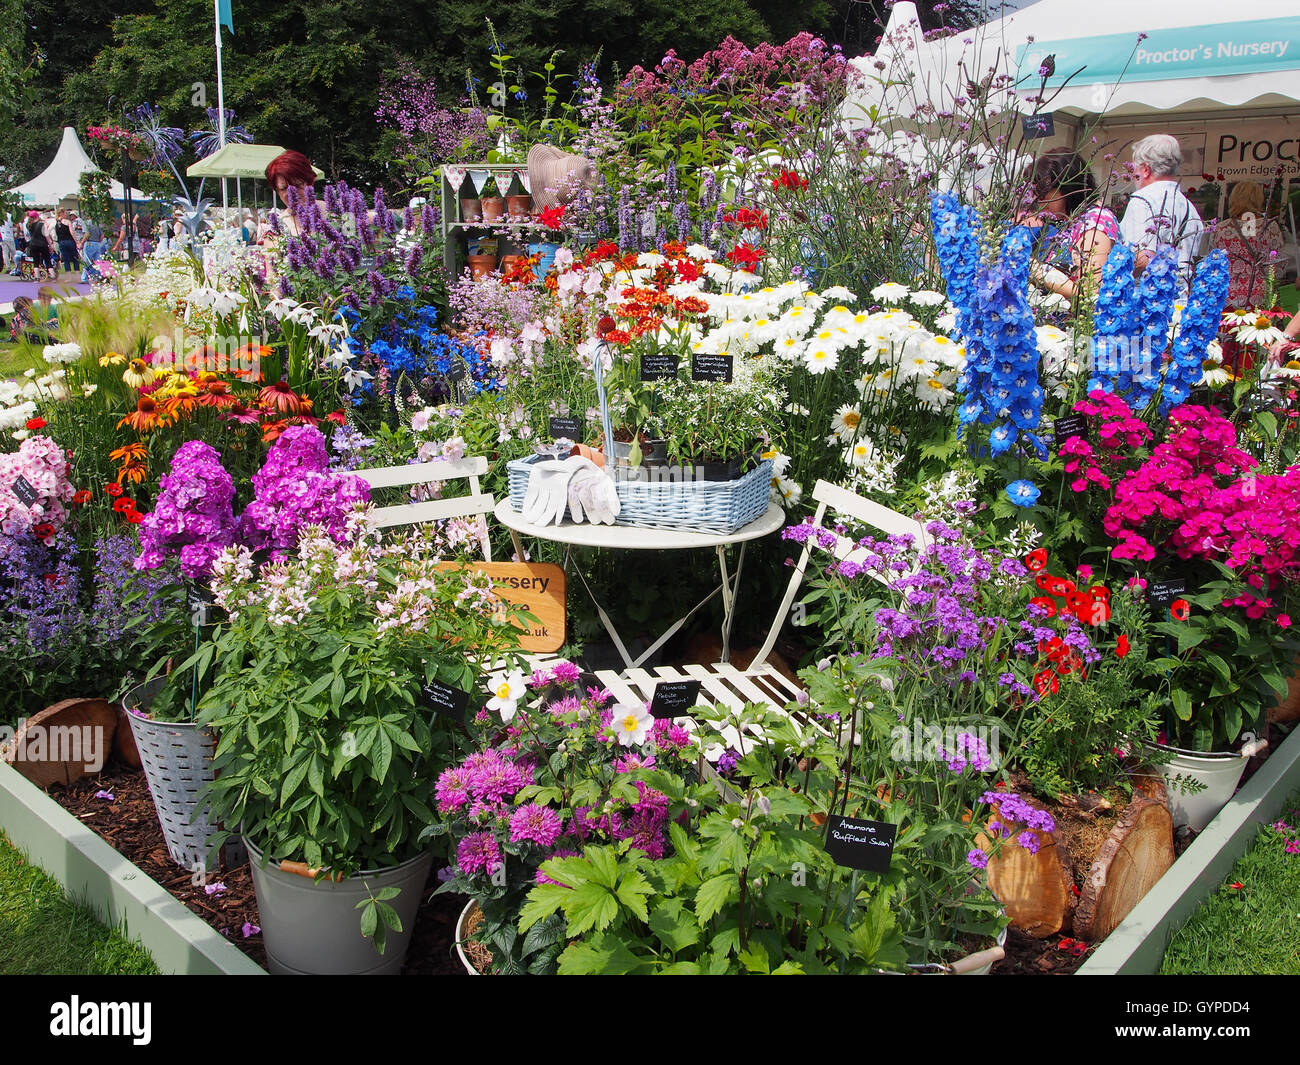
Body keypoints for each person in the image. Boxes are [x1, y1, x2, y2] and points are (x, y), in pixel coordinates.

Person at [1019, 147, 1121, 302]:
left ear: (1069, 187)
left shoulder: (1095, 222)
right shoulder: (1070, 222)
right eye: (1033, 192)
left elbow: (1090, 293)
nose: (1036, 199)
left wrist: (1036, 270)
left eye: (1042, 192)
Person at [1119, 134, 1204, 297]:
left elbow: (1140, 258)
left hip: (1146, 300)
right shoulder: (1189, 206)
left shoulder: (1142, 201)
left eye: (1135, 169)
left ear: (1145, 169)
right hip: (1181, 299)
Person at [1208, 181, 1284, 310]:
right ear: (1258, 200)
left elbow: (1211, 265)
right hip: (1259, 296)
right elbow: (1278, 266)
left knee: (1226, 330)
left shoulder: (1220, 229)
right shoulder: (1270, 227)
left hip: (1225, 295)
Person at [264, 149, 320, 237]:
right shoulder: (276, 231)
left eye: (297, 185)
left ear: (310, 182)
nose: (291, 193)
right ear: (277, 190)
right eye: (284, 188)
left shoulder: (336, 215)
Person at [25, 211, 54, 281]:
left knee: (36, 261)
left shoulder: (28, 225)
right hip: (42, 244)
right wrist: (50, 245)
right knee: (47, 260)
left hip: (33, 244)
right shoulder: (41, 224)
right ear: (37, 217)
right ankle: (53, 276)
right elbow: (46, 235)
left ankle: (37, 277)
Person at [54, 209, 80, 278]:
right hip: (69, 241)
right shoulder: (67, 222)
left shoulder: (56, 223)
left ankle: (68, 277)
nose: (66, 215)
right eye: (65, 213)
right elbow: (72, 232)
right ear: (62, 213)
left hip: (61, 242)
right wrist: (77, 242)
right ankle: (77, 276)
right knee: (75, 258)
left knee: (66, 259)